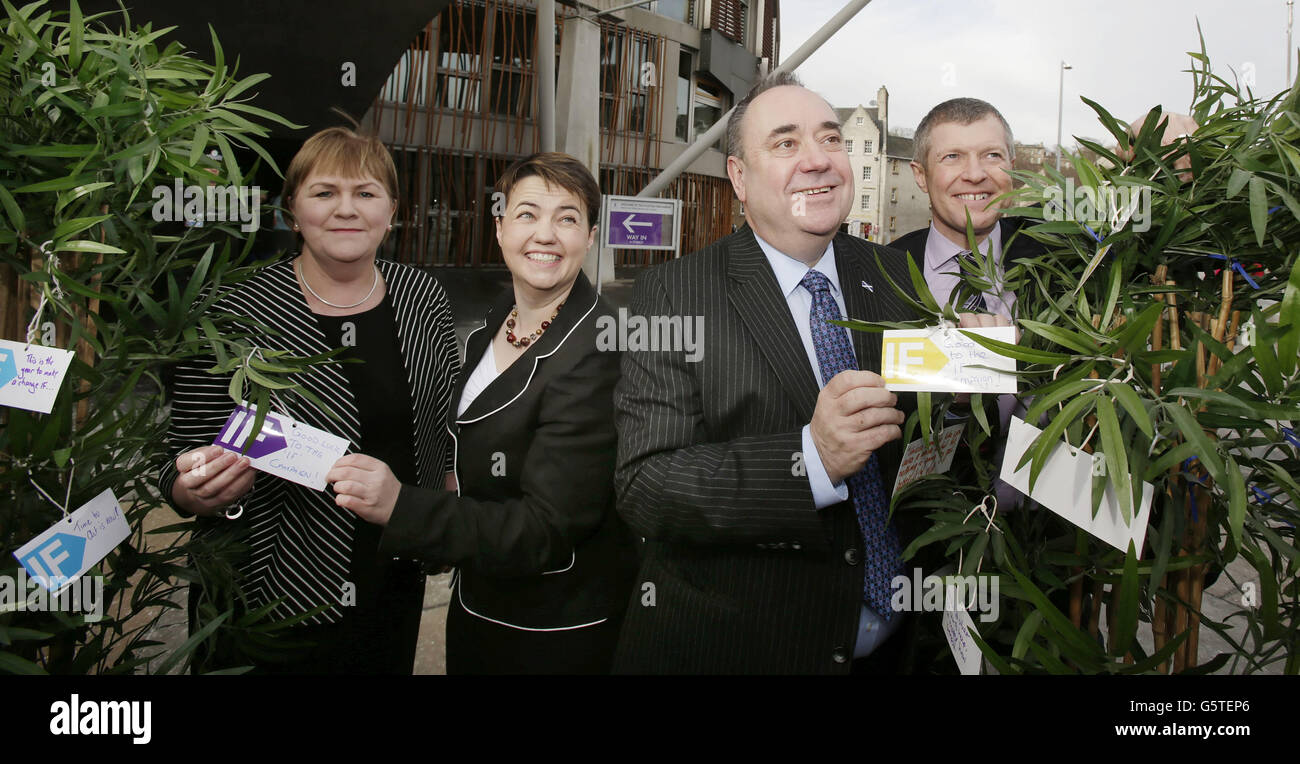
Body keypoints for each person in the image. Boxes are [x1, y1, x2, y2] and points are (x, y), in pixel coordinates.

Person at [612, 72, 930, 674]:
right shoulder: (670, 294)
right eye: (785, 143)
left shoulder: (898, 277)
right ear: (738, 176)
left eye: (831, 139)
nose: (818, 160)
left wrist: (976, 374)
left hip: (895, 650)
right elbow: (645, 486)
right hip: (743, 648)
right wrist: (812, 460)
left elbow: (926, 451)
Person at [160, 126, 460, 674]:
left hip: (390, 574)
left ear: (392, 210)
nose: (347, 209)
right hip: (268, 588)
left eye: (366, 193)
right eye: (325, 193)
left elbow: (444, 428)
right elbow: (181, 448)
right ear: (292, 210)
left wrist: (442, 517)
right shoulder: (234, 307)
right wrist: (191, 488)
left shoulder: (423, 296)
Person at [330, 152, 637, 675]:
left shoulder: (596, 349)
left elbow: (546, 526)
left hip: (552, 630)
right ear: (499, 229)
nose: (545, 234)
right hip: (481, 602)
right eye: (526, 214)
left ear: (589, 237)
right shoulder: (498, 318)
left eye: (567, 218)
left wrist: (403, 508)